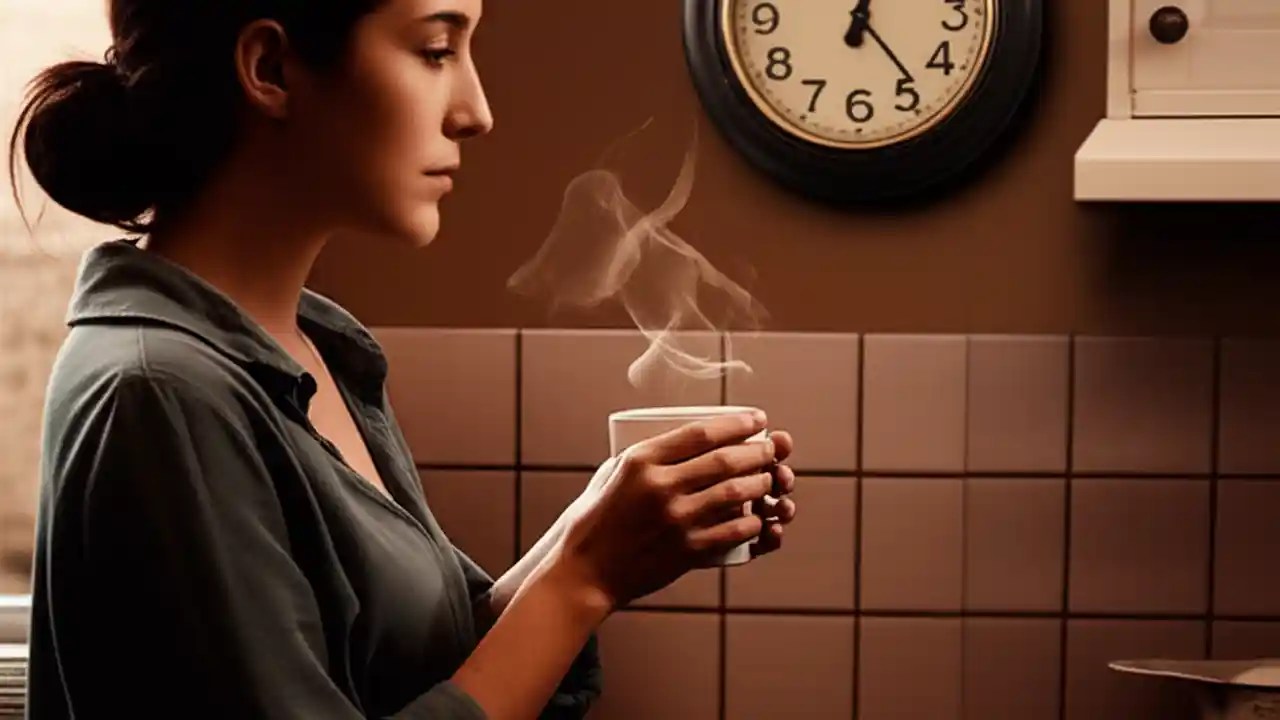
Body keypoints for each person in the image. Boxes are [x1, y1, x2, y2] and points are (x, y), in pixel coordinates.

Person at [8, 0, 800, 718]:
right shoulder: (163, 395)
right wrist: (582, 579)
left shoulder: (314, 352)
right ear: (270, 68)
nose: (476, 112)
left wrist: (597, 533)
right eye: (435, 50)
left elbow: (406, 674)